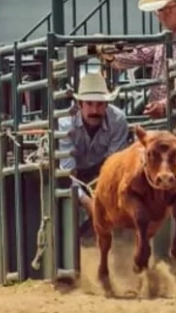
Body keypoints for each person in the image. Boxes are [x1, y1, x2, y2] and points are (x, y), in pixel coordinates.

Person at [54, 73, 131, 225]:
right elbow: (67, 174)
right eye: (89, 103)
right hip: (71, 174)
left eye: (100, 104)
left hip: (100, 171)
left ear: (107, 105)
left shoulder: (118, 121)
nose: (94, 110)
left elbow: (113, 168)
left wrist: (102, 198)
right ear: (79, 104)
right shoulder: (64, 125)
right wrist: (89, 203)